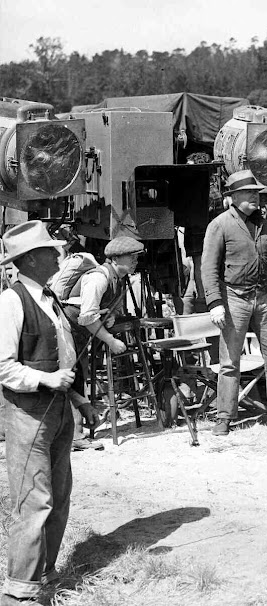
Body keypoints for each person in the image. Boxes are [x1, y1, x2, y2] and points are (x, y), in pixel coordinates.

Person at [0, 221, 98, 605]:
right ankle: (20, 592)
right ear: (29, 259)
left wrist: (79, 399)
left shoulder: (50, 297)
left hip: (60, 411)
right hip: (28, 414)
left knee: (59, 497)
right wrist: (46, 379)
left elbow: (64, 357)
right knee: (33, 503)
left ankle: (46, 575)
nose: (59, 255)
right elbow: (3, 367)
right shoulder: (12, 301)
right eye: (49, 250)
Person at [202, 169, 267, 437]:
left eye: (256, 193)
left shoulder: (264, 225)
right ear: (233, 197)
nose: (255, 197)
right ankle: (224, 417)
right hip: (233, 298)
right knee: (230, 361)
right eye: (248, 193)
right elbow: (209, 267)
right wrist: (215, 303)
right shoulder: (220, 225)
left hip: (264, 298)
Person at [64, 235, 144, 451]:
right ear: (115, 259)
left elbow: (111, 307)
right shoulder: (98, 278)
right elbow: (87, 317)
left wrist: (111, 316)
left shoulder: (118, 279)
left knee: (77, 377)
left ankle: (75, 433)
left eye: (136, 257)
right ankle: (75, 436)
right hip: (68, 329)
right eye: (130, 257)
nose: (135, 261)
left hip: (81, 332)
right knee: (73, 378)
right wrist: (110, 340)